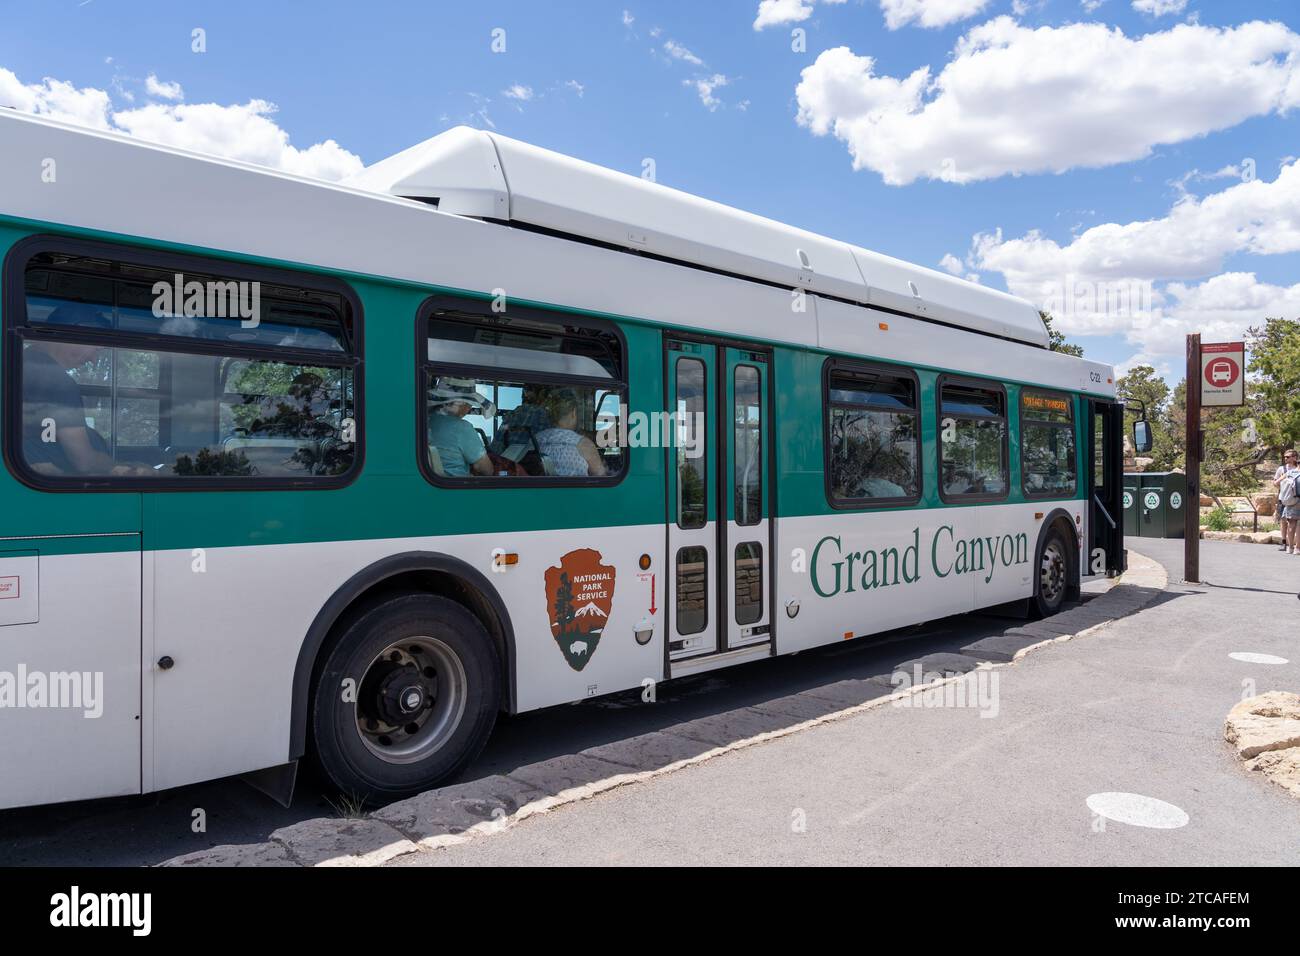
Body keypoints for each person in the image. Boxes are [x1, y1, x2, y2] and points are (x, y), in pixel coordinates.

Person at [21, 309, 154, 477]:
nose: (93, 360)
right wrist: (120, 467)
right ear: (75, 334)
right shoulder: (57, 381)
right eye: (96, 349)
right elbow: (84, 461)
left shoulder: (18, 363)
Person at [426, 376, 494, 477]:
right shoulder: (461, 427)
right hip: (457, 486)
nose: (469, 408)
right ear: (461, 404)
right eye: (470, 403)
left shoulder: (425, 421)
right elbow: (485, 469)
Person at [535, 390, 607, 477]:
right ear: (574, 412)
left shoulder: (536, 438)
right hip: (576, 490)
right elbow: (601, 476)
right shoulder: (583, 444)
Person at [1274, 454, 1294, 551]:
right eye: (1285, 457)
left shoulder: (1297, 469)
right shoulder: (1281, 469)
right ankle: (1284, 542)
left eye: (1288, 457)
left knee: (1294, 521)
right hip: (1283, 498)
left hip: (1296, 499)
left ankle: (1294, 544)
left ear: (1295, 457)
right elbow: (1275, 483)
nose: (1286, 458)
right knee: (1283, 520)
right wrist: (1284, 488)